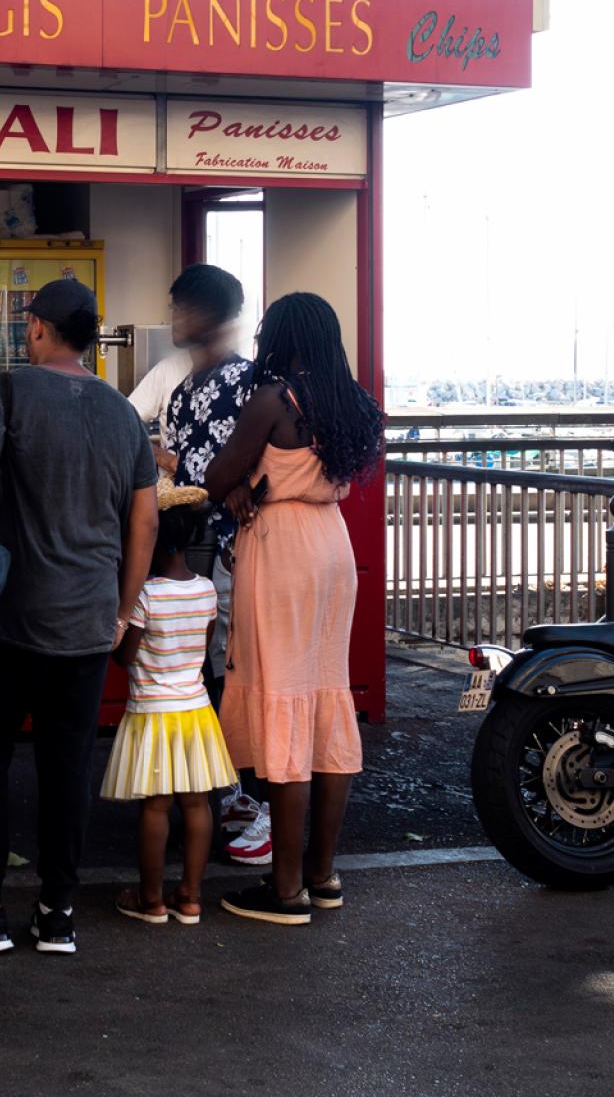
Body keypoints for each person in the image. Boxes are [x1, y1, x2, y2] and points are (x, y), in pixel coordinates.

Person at [0, 277, 159, 957]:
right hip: (88, 622)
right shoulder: (123, 414)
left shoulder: (5, 394)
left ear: (37, 327)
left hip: (6, 618)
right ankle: (57, 915)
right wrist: (121, 612)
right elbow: (145, 521)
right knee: (67, 767)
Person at [203, 292, 384, 926]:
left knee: (283, 698)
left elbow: (216, 476)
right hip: (332, 545)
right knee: (325, 699)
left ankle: (284, 890)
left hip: (281, 549)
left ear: (282, 336)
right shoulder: (351, 401)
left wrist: (238, 489)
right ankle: (321, 874)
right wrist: (249, 487)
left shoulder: (273, 400)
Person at [149, 264, 265, 862]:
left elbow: (265, 463)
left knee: (246, 673)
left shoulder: (246, 381)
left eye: (184, 307)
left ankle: (260, 800)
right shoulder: (185, 389)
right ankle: (235, 790)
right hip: (201, 551)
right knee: (214, 675)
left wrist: (238, 487)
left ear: (214, 316)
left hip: (243, 549)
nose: (176, 318)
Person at [101, 482, 237, 926]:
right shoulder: (206, 591)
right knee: (197, 805)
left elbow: (124, 657)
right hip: (195, 712)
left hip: (153, 714)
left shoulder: (145, 595)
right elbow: (202, 650)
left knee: (155, 807)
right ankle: (192, 898)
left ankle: (151, 899)